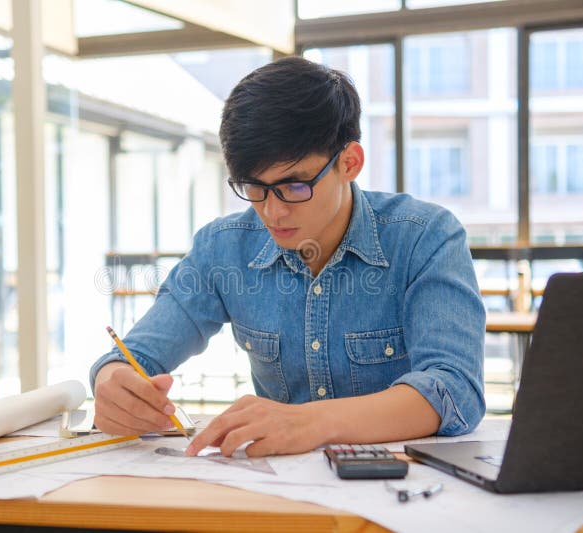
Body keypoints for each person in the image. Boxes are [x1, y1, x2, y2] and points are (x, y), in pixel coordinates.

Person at [90, 56, 485, 458]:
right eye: (253, 187)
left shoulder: (426, 238)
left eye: (294, 187)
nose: (272, 212)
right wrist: (113, 381)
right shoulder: (224, 248)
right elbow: (133, 357)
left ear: (349, 162)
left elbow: (454, 389)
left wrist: (312, 422)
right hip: (280, 495)